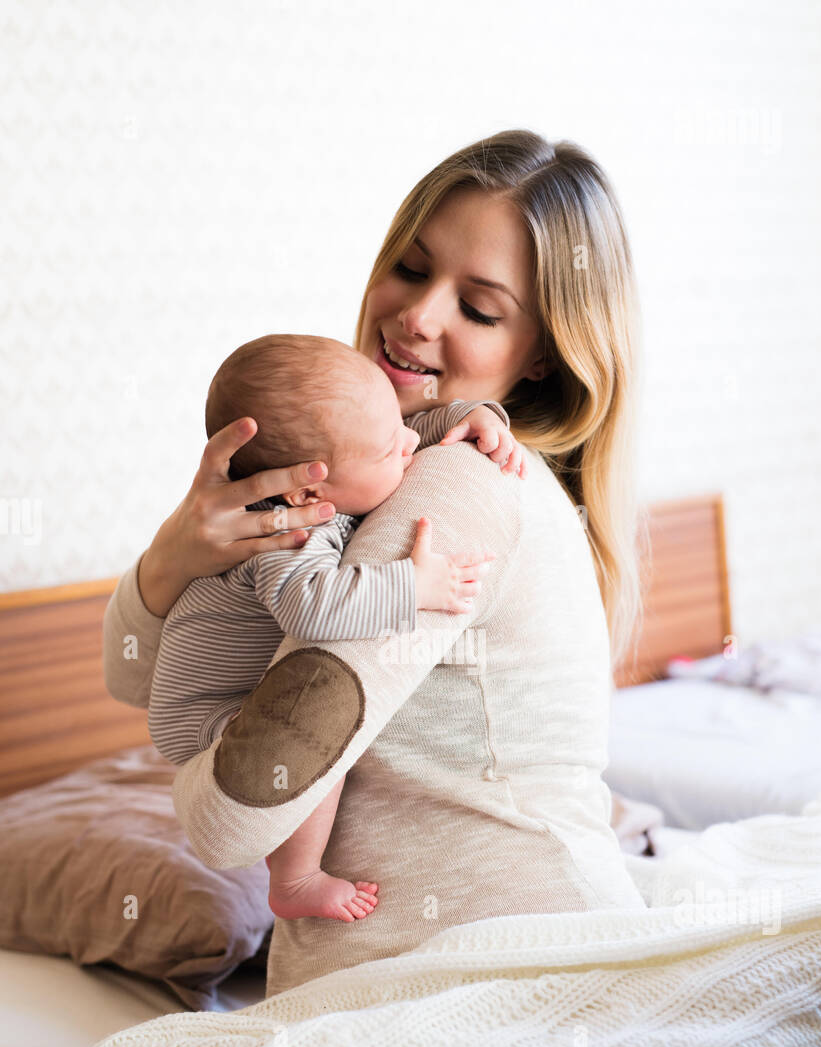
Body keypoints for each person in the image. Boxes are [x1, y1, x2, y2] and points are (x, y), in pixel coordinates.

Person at [103, 128, 649, 997]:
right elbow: (134, 676)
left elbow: (230, 816)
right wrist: (178, 550)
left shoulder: (455, 487)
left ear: (542, 350)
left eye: (477, 308)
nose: (418, 317)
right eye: (409, 267)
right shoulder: (367, 467)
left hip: (483, 977)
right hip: (407, 969)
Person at [147, 331, 524, 923]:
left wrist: (468, 417)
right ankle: (293, 880)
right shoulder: (281, 535)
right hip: (204, 709)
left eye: (402, 426)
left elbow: (389, 435)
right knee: (319, 742)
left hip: (222, 687)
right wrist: (416, 586)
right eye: (388, 449)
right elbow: (314, 610)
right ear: (308, 492)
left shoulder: (344, 466)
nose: (408, 442)